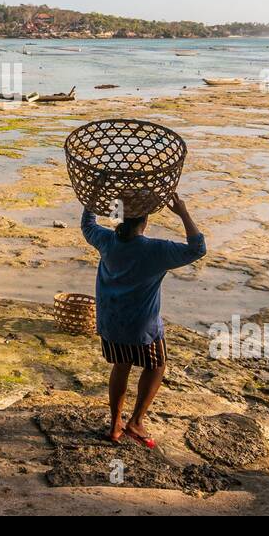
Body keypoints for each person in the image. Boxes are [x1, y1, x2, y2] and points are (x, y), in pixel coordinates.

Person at [80, 192, 206, 448]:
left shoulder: (107, 241)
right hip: (142, 327)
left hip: (111, 322)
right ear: (144, 223)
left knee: (121, 365)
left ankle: (115, 424)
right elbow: (198, 248)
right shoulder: (156, 250)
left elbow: (88, 225)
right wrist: (183, 213)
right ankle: (135, 420)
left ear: (119, 219)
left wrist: (92, 198)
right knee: (157, 365)